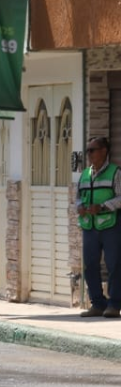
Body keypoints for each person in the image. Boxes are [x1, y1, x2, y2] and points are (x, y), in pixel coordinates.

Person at [77, 136, 121, 318]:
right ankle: (97, 303)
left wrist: (102, 206)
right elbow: (78, 196)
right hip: (90, 227)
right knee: (89, 266)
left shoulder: (115, 172)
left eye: (92, 150)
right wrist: (79, 207)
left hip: (110, 226)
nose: (89, 154)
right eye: (87, 150)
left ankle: (114, 304)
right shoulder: (85, 174)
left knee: (114, 265)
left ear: (104, 151)